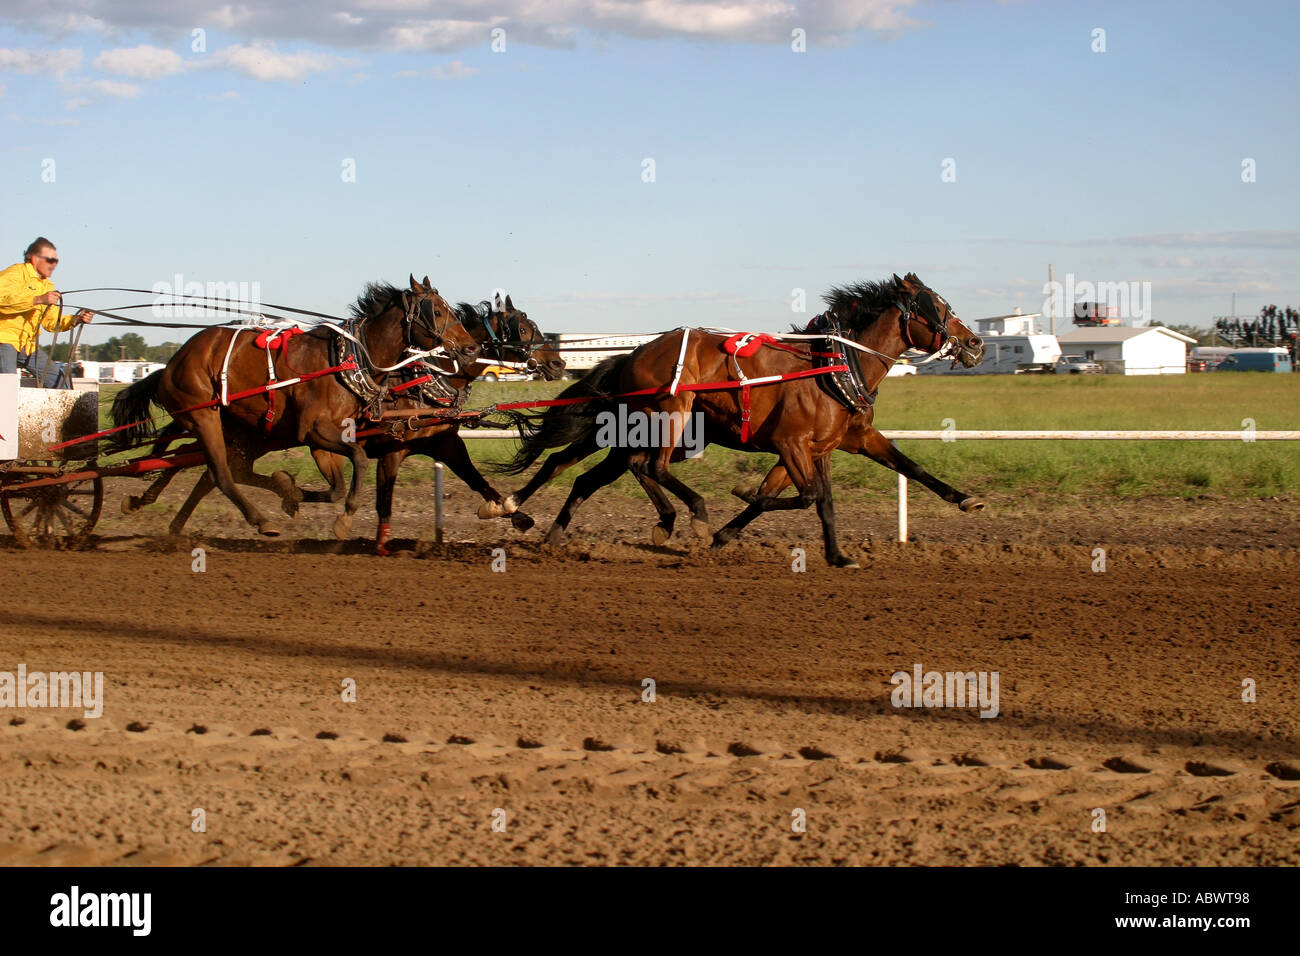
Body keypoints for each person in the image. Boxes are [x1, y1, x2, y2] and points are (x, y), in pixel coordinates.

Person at [0, 237, 94, 387]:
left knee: (61, 382)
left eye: (56, 261)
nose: (54, 265)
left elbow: (51, 322)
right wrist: (37, 299)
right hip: (3, 340)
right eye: (50, 260)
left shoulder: (47, 286)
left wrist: (76, 319)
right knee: (7, 389)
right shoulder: (16, 273)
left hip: (26, 344)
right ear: (34, 258)